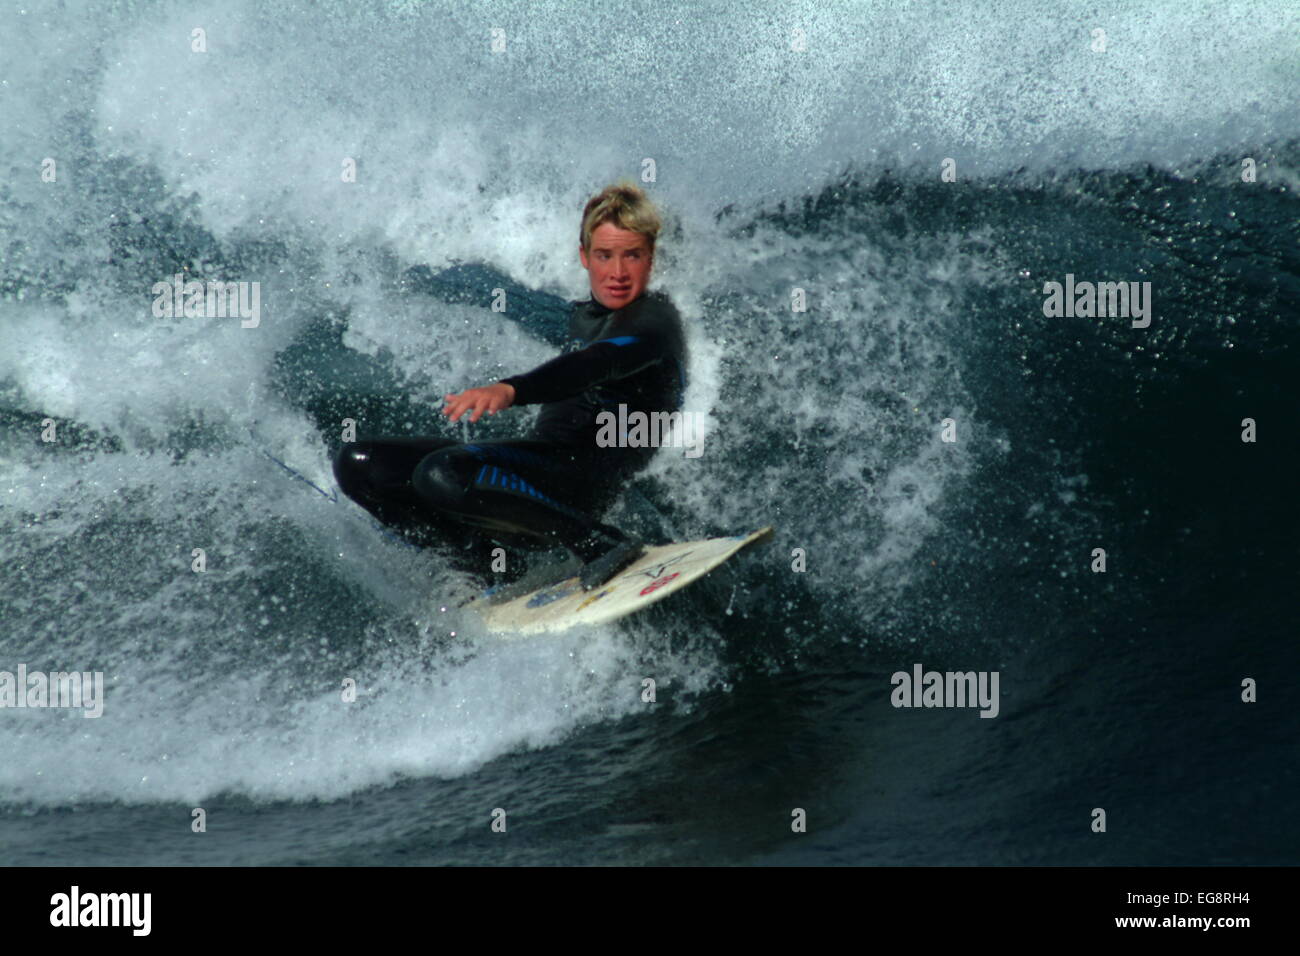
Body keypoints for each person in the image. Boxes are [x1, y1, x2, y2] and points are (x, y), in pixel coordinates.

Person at [332, 181, 688, 589]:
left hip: (577, 492)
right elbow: (534, 311)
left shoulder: (653, 322)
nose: (618, 272)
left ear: (652, 260)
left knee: (443, 473)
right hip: (523, 489)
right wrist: (446, 277)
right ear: (584, 257)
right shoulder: (583, 318)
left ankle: (602, 544)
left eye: (633, 256)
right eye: (605, 256)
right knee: (359, 464)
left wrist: (511, 389)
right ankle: (492, 568)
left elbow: (594, 363)